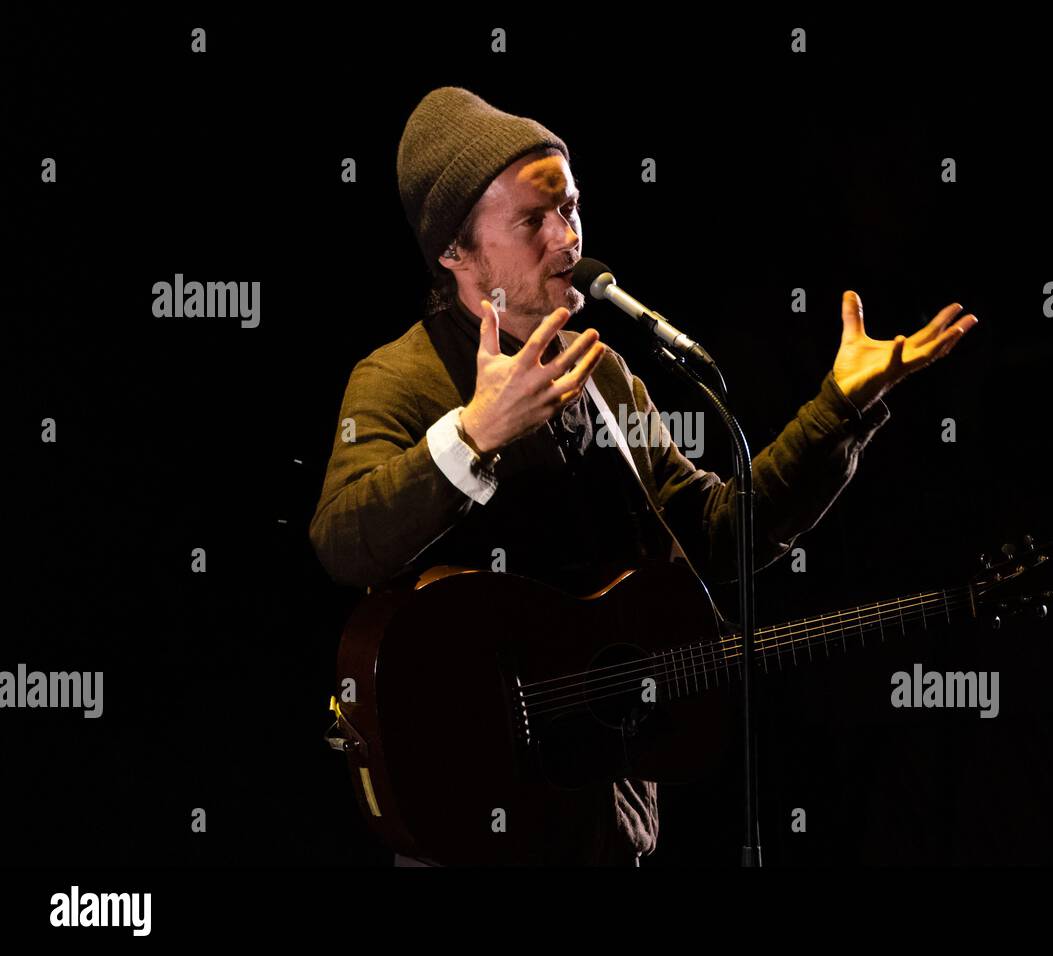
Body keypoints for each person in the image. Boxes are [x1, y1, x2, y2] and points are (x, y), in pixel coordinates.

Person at [309, 86, 978, 866]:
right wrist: (474, 435)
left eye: (573, 208)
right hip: (472, 822)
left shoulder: (606, 377)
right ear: (456, 251)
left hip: (608, 823)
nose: (567, 239)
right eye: (533, 220)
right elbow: (343, 543)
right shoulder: (401, 378)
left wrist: (840, 411)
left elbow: (721, 537)